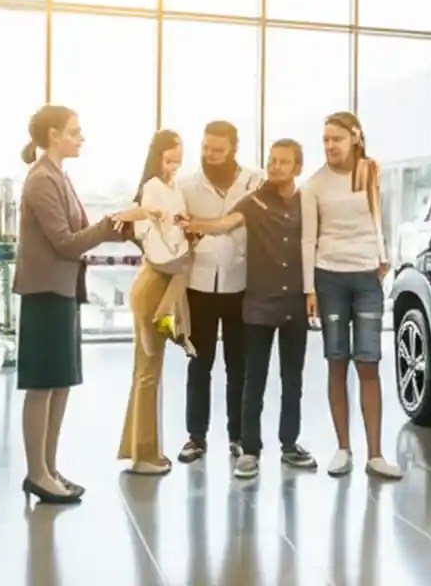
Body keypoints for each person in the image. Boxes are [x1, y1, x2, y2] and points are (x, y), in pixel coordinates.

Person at [14, 104, 146, 504]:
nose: (81, 137)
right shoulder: (41, 181)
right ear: (53, 134)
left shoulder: (59, 178)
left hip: (64, 290)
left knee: (61, 384)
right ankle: (37, 473)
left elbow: (78, 233)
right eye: (74, 131)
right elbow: (66, 242)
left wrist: (124, 228)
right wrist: (112, 223)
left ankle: (49, 469)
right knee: (42, 385)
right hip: (46, 292)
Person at [187, 139, 317, 479]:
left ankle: (290, 444)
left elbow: (321, 244)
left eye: (283, 162)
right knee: (253, 380)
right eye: (272, 161)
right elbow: (222, 224)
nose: (274, 167)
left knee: (293, 379)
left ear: (297, 168)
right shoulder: (254, 200)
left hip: (295, 307)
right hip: (258, 305)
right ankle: (250, 450)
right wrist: (186, 222)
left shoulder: (309, 202)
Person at [302, 112, 402, 479]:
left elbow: (380, 216)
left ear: (355, 138)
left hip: (366, 279)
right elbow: (307, 239)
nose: (329, 146)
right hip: (329, 279)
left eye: (336, 139)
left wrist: (383, 255)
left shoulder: (369, 171)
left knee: (368, 363)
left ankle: (375, 455)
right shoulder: (313, 185)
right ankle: (343, 449)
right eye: (325, 139)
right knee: (337, 361)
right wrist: (308, 288)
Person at [177, 121, 264, 464]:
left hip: (241, 284)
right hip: (198, 286)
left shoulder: (254, 181)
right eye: (206, 148)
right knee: (199, 363)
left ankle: (238, 436)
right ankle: (195, 437)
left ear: (233, 148)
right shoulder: (187, 185)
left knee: (238, 365)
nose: (210, 155)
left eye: (218, 149)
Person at [118, 130, 192, 476]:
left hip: (168, 282)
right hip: (154, 283)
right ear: (157, 157)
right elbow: (151, 235)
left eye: (178, 159)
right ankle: (143, 454)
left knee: (150, 370)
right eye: (169, 159)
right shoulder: (152, 188)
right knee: (147, 371)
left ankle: (142, 448)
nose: (174, 166)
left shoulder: (174, 188)